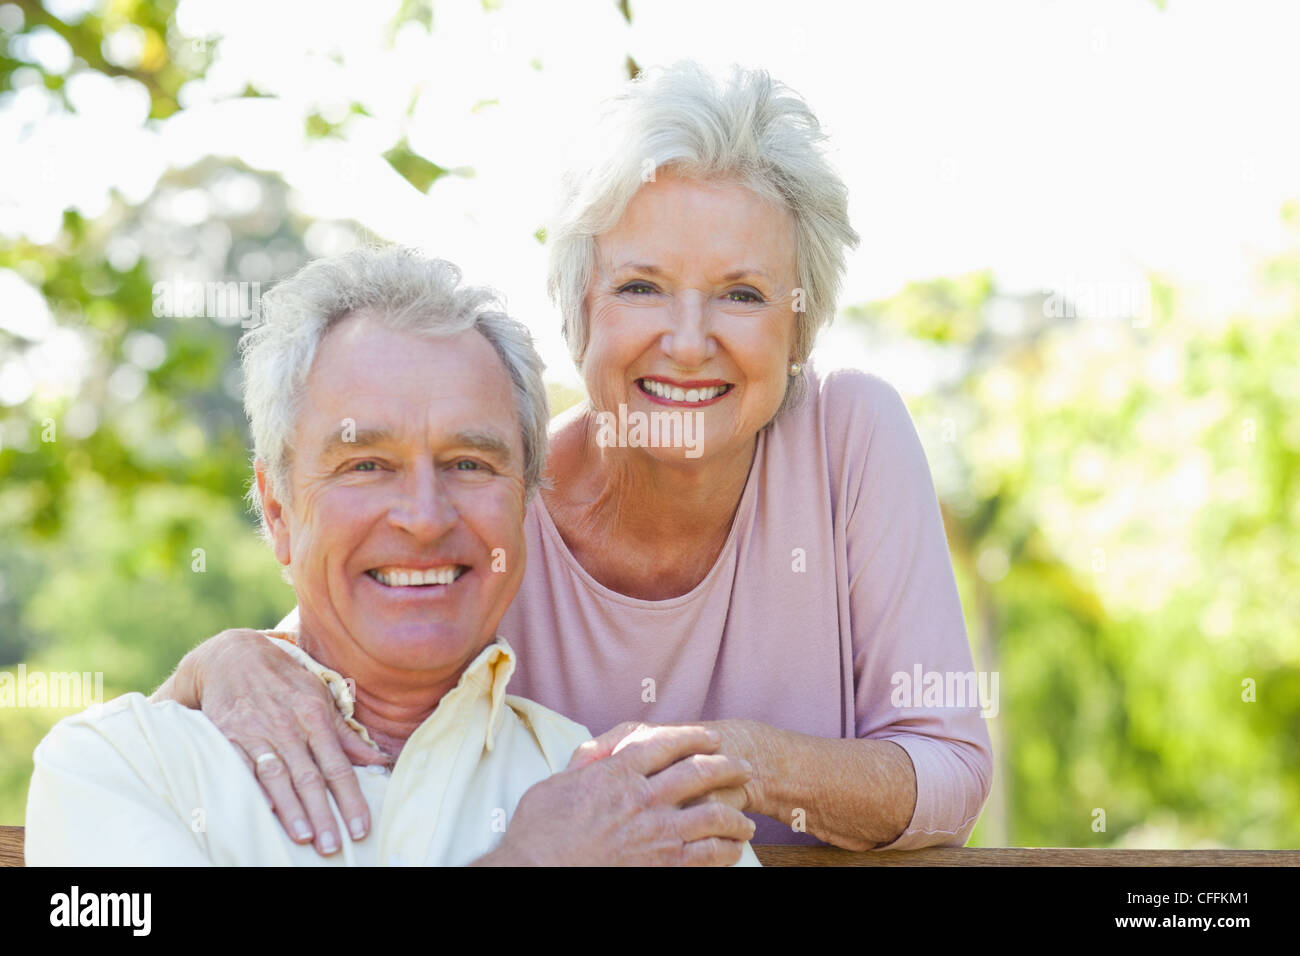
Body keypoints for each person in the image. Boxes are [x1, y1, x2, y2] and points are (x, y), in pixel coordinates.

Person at [153, 61, 993, 854]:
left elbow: (949, 770)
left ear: (799, 327)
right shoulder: (492, 498)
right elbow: (317, 665)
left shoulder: (849, 437)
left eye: (742, 294)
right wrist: (216, 661)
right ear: (578, 312)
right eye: (641, 287)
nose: (690, 342)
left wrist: (733, 760)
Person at [26, 249, 759, 866]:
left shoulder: (638, 803)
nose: (423, 517)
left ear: (525, 504)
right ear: (277, 509)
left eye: (470, 463)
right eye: (365, 464)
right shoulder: (124, 768)